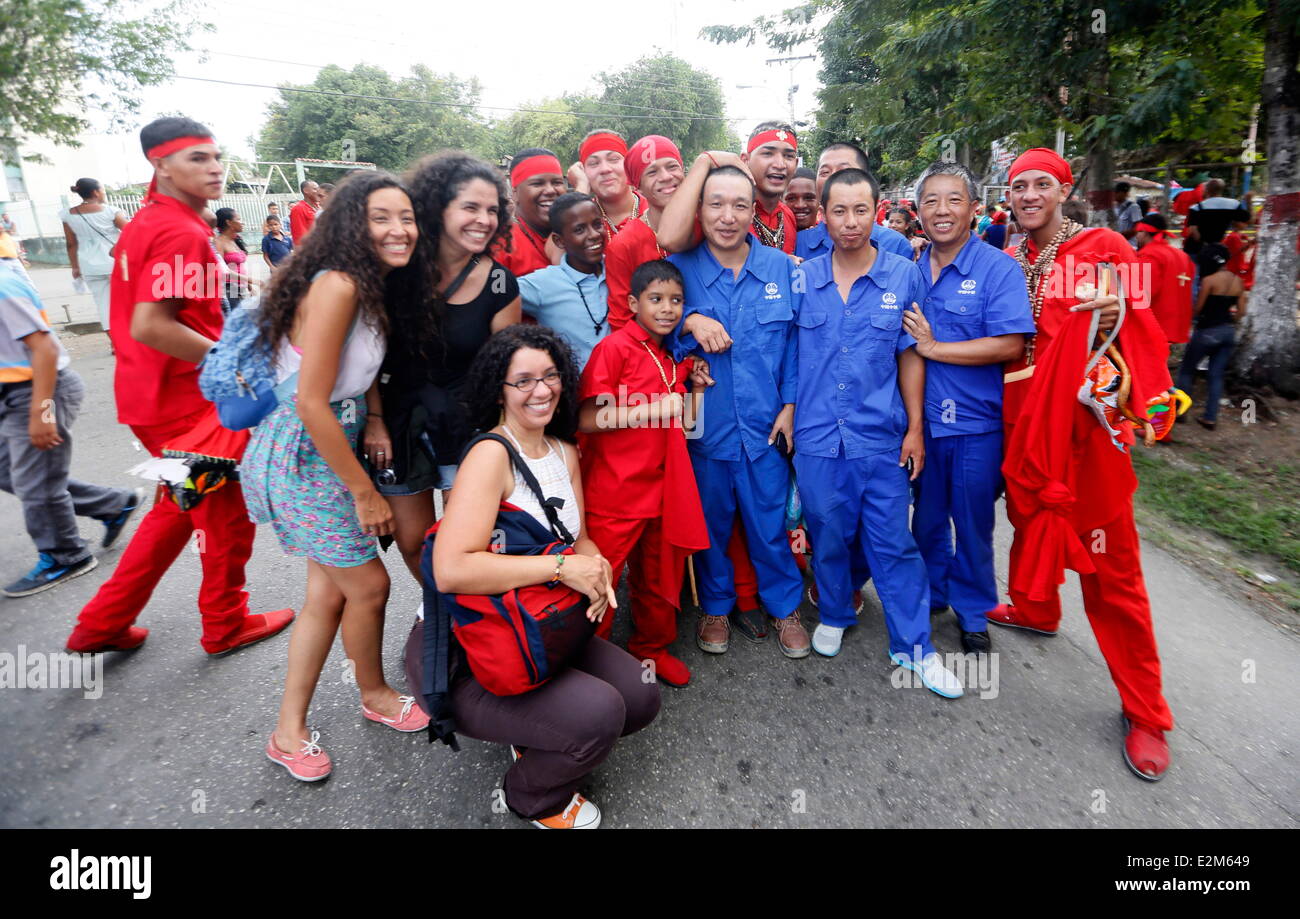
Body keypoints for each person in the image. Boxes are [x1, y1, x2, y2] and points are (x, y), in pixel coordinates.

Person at [65, 116, 294, 656]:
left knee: (175, 509)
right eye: (197, 158)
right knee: (225, 518)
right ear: (160, 165)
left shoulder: (151, 220)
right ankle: (226, 623)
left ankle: (99, 625)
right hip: (185, 403)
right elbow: (153, 323)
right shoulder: (178, 229)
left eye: (217, 157)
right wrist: (232, 365)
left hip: (152, 394)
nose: (214, 168)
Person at [419, 323, 660, 828]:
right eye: (523, 381)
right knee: (598, 717)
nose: (542, 390)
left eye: (550, 376)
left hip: (540, 624)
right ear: (498, 391)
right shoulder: (489, 455)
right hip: (475, 646)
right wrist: (560, 567)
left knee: (640, 696)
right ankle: (530, 796)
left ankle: (536, 736)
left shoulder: (563, 450)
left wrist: (595, 570)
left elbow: (580, 537)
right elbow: (452, 568)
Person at [242, 171, 432, 782]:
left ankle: (288, 729)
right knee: (369, 587)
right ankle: (373, 695)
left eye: (406, 216)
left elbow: (358, 370)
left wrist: (374, 418)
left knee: (328, 593)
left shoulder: (368, 284)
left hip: (339, 432)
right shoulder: (338, 284)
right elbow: (311, 402)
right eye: (382, 217)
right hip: (308, 449)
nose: (399, 228)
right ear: (352, 223)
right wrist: (363, 491)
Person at [994, 147, 1175, 781]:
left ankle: (1146, 711)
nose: (1028, 194)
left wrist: (1119, 320)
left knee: (1111, 567)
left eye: (1042, 183)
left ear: (1066, 190)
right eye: (1019, 186)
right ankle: (1036, 606)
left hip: (1086, 433)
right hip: (1022, 424)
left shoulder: (1105, 249)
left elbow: (1145, 323)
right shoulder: (1013, 259)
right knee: (1027, 518)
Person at [788, 167, 960, 696]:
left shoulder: (901, 275)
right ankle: (836, 612)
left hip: (879, 439)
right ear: (823, 215)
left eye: (861, 210)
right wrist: (790, 409)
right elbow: (792, 355)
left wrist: (914, 429)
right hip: (818, 439)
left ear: (877, 211)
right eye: (838, 211)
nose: (849, 222)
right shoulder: (803, 280)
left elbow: (911, 356)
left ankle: (914, 648)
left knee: (893, 543)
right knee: (829, 536)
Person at [669, 165, 811, 659]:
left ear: (755, 211)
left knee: (769, 526)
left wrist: (791, 405)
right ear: (700, 209)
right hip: (705, 430)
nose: (727, 217)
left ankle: (784, 605)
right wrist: (690, 320)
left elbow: (796, 344)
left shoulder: (782, 268)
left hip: (766, 428)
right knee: (710, 527)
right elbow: (656, 330)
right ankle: (714, 606)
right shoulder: (680, 269)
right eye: (715, 204)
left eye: (739, 205)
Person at [900, 162, 1035, 656]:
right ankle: (933, 594)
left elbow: (1010, 344)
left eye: (953, 200)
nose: (942, 210)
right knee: (926, 517)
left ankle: (974, 611)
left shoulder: (997, 268)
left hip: (976, 424)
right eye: (931, 200)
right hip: (922, 423)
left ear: (974, 210)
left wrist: (937, 349)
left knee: (973, 521)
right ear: (917, 212)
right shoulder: (911, 271)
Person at [365, 153, 521, 581]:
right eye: (470, 207)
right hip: (396, 423)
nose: (483, 220)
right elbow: (366, 357)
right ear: (438, 207)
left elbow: (502, 368)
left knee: (465, 540)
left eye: (492, 210)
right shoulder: (393, 269)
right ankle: (436, 610)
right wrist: (374, 418)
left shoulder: (499, 283)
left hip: (465, 424)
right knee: (413, 540)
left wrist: (498, 442)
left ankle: (466, 625)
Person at [578, 260, 710, 687]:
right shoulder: (614, 348)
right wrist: (654, 408)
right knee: (602, 578)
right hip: (614, 492)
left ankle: (650, 649)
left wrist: (697, 393)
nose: (667, 308)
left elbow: (688, 426)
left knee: (658, 576)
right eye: (656, 299)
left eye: (675, 301)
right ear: (634, 303)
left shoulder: (672, 358)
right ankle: (586, 664)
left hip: (662, 490)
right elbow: (587, 419)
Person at [0, 264, 141, 597]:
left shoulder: (3, 285)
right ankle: (112, 504)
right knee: (12, 472)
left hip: (38, 392)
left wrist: (43, 411)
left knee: (36, 483)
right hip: (10, 393)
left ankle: (66, 555)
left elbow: (45, 349)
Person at [517, 192, 610, 370]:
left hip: (625, 390)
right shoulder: (543, 284)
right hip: (576, 392)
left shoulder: (618, 267)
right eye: (579, 230)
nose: (593, 235)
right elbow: (497, 291)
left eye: (597, 225)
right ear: (559, 241)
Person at [603, 135, 683, 329]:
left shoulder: (708, 222)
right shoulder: (624, 245)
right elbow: (623, 321)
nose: (665, 176)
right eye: (652, 172)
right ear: (637, 186)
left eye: (672, 166)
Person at [795, 142, 913, 261]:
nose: (833, 178)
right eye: (825, 172)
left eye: (845, 170)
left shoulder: (895, 245)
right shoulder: (797, 244)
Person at [1175, 244, 1245, 431]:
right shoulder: (1238, 281)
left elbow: (1198, 308)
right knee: (1216, 375)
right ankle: (1210, 418)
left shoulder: (1209, 280)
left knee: (1186, 371)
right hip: (1228, 331)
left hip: (1206, 331)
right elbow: (1241, 312)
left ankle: (1179, 412)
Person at [60, 178, 126, 332]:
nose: (103, 193)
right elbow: (131, 231)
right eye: (102, 189)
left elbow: (71, 244)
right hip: (115, 263)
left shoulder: (68, 215)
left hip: (88, 265)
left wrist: (75, 267)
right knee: (126, 302)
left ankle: (115, 343)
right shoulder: (111, 211)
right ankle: (131, 341)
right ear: (95, 192)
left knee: (103, 304)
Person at [495, 147, 566, 278]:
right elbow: (496, 294)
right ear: (515, 194)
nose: (550, 190)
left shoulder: (582, 234)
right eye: (537, 184)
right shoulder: (500, 245)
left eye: (557, 182)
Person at [1133, 213, 1195, 344]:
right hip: (1178, 326)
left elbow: (1142, 294)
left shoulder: (1148, 255)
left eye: (1138, 232)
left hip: (1156, 325)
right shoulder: (1182, 255)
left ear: (1144, 232)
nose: (1136, 236)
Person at [575, 131, 646, 243]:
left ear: (628, 165)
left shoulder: (654, 210)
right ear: (583, 171)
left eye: (613, 159)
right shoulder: (582, 216)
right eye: (594, 163)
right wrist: (581, 187)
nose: (605, 169)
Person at [1185, 178, 1249, 253]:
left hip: (1196, 249)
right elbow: (1245, 222)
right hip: (1216, 250)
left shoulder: (1197, 208)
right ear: (1221, 189)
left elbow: (1193, 233)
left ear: (1206, 190)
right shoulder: (1233, 205)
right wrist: (1249, 201)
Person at [214, 207, 251, 312]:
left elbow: (241, 266)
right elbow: (221, 269)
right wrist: (250, 280)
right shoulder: (219, 242)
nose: (242, 222)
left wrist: (249, 286)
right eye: (238, 219)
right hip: (230, 289)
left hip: (242, 287)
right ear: (229, 222)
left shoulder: (235, 240)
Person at [784, 167, 819, 232]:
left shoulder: (834, 238)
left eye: (808, 198)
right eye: (791, 198)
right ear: (780, 201)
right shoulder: (765, 239)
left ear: (820, 201)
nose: (800, 205)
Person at [290, 180, 322, 245]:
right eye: (315, 189)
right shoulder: (298, 209)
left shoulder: (319, 207)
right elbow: (299, 237)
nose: (319, 192)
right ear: (306, 190)